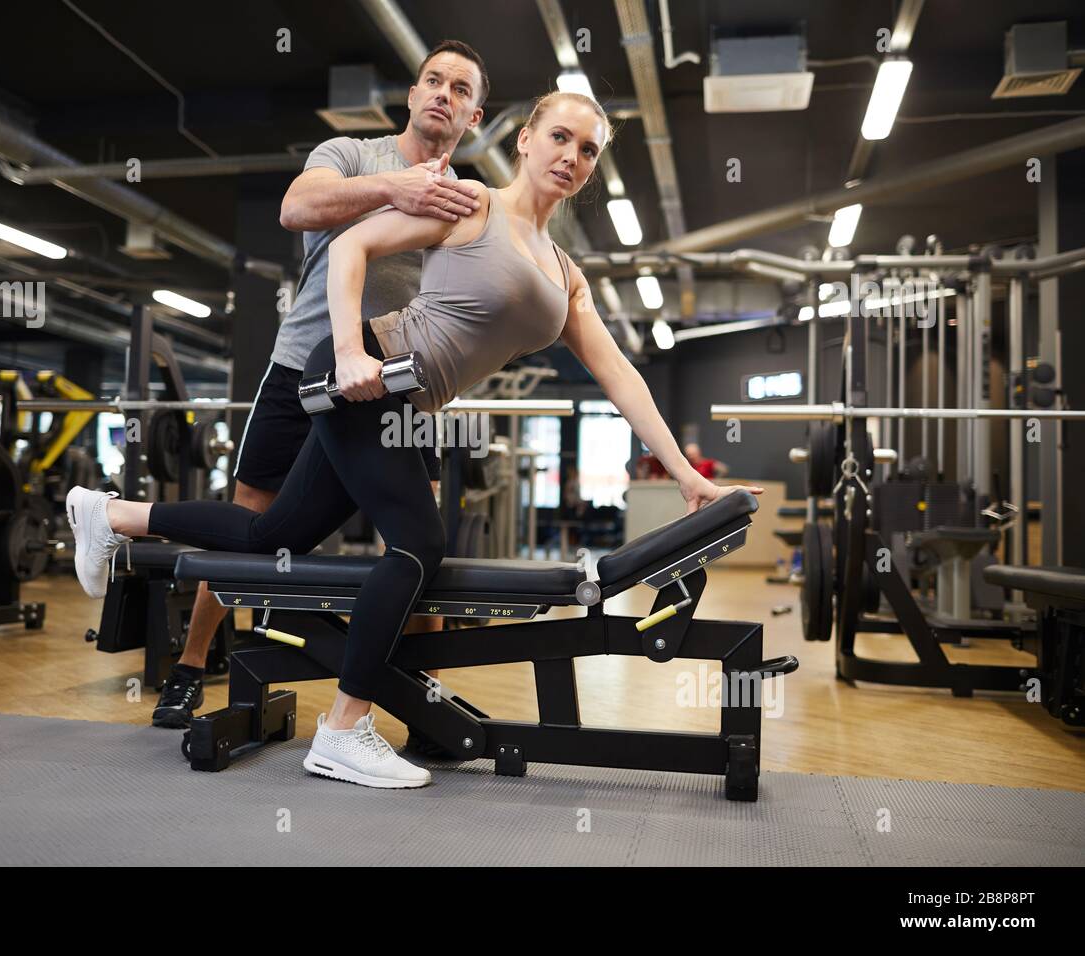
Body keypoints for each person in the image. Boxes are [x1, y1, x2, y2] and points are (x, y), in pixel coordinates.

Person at [68, 89, 763, 790]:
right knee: (417, 544)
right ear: (524, 140)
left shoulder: (566, 277)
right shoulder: (470, 205)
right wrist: (346, 351)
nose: (571, 157)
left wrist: (684, 473)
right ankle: (342, 728)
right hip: (363, 378)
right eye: (559, 137)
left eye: (587, 150)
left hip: (399, 403)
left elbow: (622, 378)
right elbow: (352, 244)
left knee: (272, 535)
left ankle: (113, 515)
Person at [144, 40, 488, 730]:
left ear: (475, 116)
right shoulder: (353, 155)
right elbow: (296, 210)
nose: (443, 94)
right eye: (433, 80)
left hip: (389, 390)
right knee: (250, 527)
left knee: (417, 540)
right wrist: (398, 187)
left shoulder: (469, 198)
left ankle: (425, 696)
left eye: (459, 89)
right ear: (412, 92)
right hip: (304, 368)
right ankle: (190, 667)